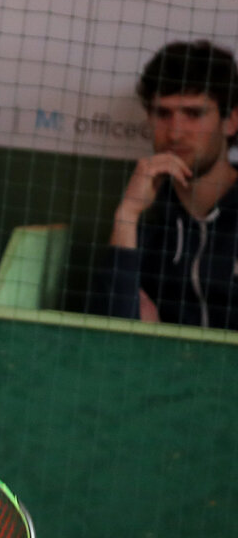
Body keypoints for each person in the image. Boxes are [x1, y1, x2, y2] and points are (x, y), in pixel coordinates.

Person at [91, 40, 238, 329]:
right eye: (162, 114)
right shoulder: (147, 217)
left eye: (194, 114)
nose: (175, 133)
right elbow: (108, 331)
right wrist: (127, 215)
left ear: (231, 121)